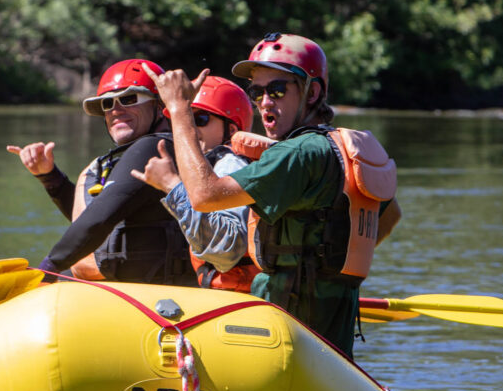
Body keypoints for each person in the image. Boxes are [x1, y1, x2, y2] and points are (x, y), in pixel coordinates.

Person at [148, 34, 401, 359]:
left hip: (282, 343)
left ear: (313, 92)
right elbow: (390, 216)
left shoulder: (298, 154)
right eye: (257, 92)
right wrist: (330, 266)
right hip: (332, 345)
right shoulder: (341, 147)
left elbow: (203, 195)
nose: (265, 102)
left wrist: (179, 109)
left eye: (277, 90)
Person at [7, 58, 195, 285]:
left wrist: (45, 270)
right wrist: (50, 177)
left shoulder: (153, 148)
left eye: (128, 99)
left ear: (159, 105)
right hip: (134, 286)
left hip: (159, 295)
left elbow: (98, 221)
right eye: (107, 104)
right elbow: (95, 219)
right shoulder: (131, 154)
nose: (116, 110)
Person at [132, 75, 258, 292]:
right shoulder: (209, 167)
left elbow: (225, 251)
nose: (187, 129)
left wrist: (172, 185)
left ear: (231, 131)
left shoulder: (231, 164)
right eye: (182, 120)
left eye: (199, 119)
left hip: (240, 301)